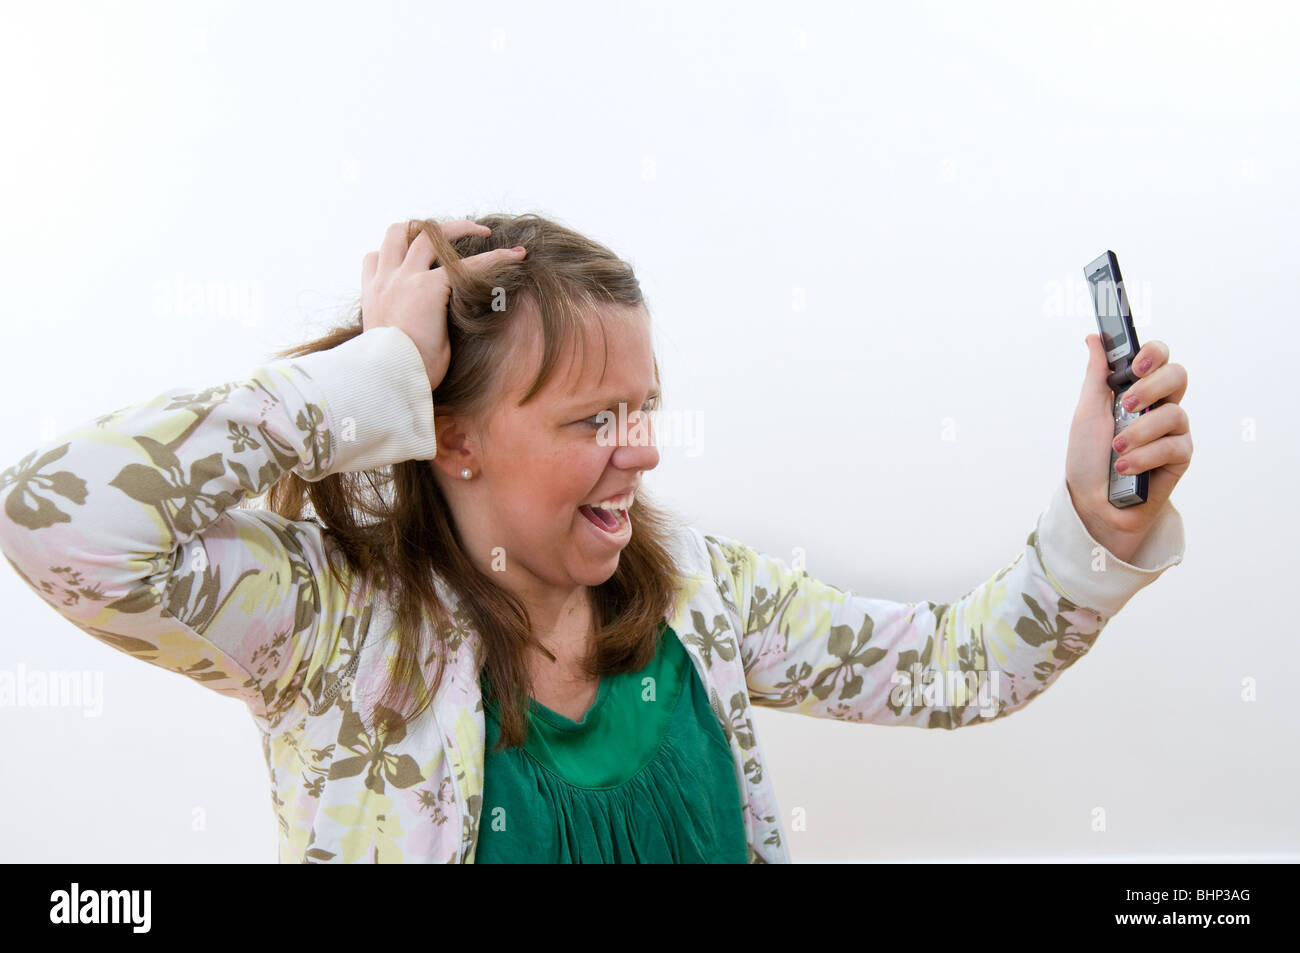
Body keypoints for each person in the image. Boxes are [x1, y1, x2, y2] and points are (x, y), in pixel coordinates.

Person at [0, 214, 1192, 863]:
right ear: (447, 434)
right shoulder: (327, 626)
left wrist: (1089, 524)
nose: (643, 448)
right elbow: (54, 515)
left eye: (644, 408)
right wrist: (370, 376)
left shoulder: (702, 595)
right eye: (591, 418)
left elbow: (961, 665)